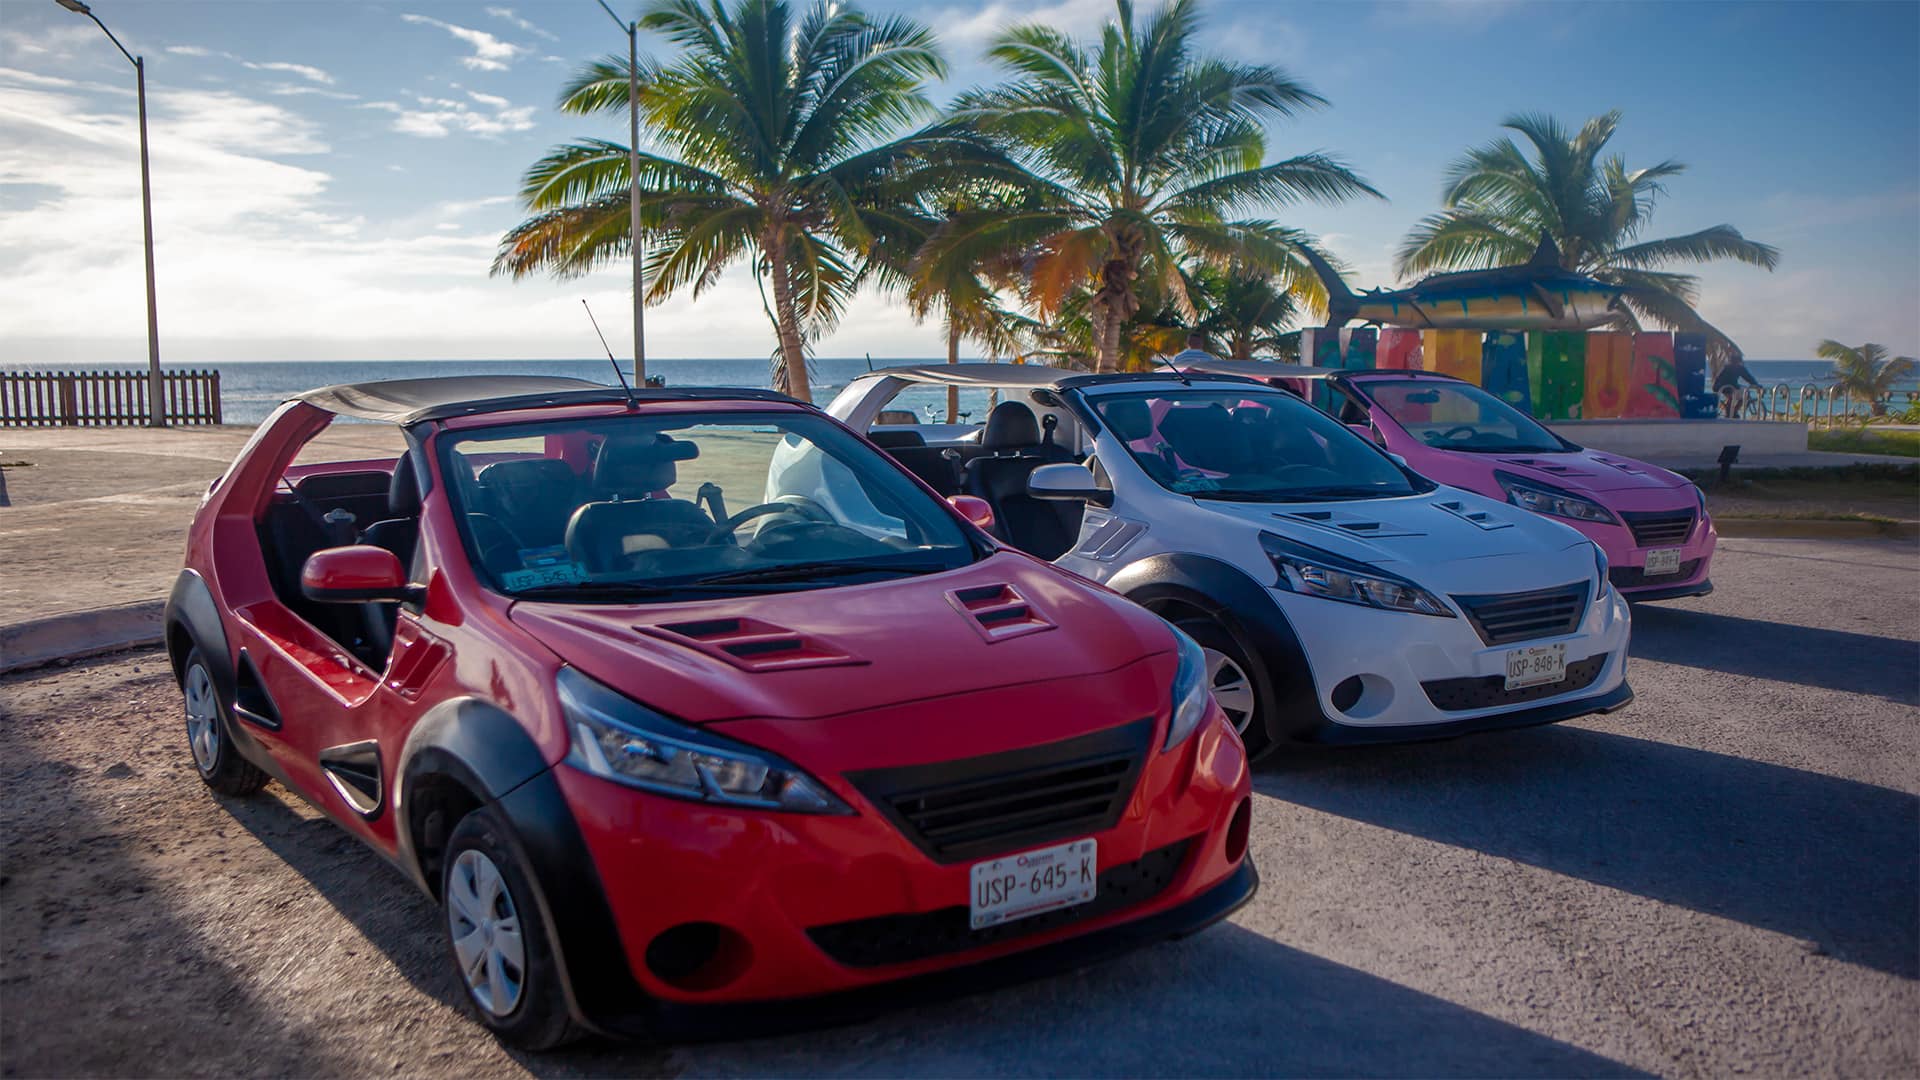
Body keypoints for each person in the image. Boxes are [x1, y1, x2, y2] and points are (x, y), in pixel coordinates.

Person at [1714, 350, 1762, 418]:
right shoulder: (1738, 368)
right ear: (1738, 361)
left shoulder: (1726, 367)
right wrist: (1756, 385)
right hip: (1728, 387)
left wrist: (1715, 386)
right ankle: (1732, 412)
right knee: (1744, 395)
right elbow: (1748, 378)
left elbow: (1718, 377)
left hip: (1724, 387)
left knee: (1737, 395)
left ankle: (1731, 412)